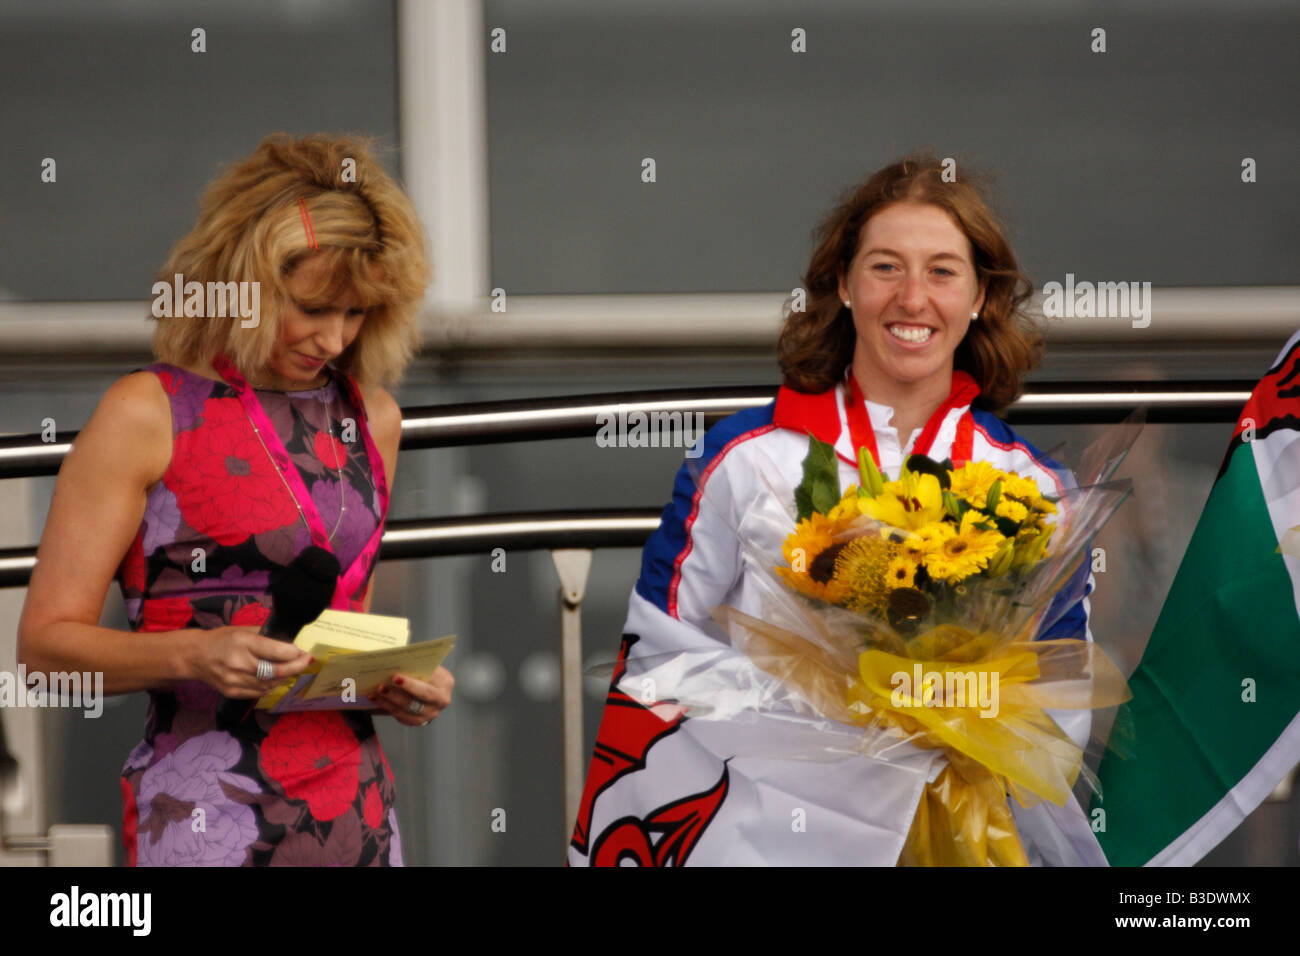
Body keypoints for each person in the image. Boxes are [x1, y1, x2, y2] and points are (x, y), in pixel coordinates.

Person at [567, 153, 1097, 866]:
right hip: (767, 841)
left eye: (942, 271)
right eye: (885, 268)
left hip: (959, 841)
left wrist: (958, 721)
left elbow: (1063, 695)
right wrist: (821, 718)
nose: (913, 297)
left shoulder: (1033, 488)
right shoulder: (743, 459)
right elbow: (655, 663)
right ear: (844, 285)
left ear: (979, 297)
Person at [16, 132, 454, 866]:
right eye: (312, 306)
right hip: (203, 813)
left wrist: (398, 682)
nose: (333, 338)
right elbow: (41, 654)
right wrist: (193, 655)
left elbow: (344, 624)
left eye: (356, 314)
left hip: (355, 804)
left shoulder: (372, 415)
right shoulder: (147, 411)